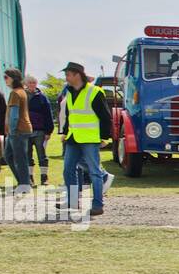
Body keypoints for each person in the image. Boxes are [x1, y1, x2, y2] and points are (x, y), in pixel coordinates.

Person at [59, 61, 113, 218]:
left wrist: (104, 137)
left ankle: (97, 205)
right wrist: (65, 132)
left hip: (90, 138)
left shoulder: (95, 92)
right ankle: (73, 200)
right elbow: (71, 115)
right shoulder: (69, 92)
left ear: (77, 75)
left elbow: (105, 117)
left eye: (68, 74)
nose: (66, 78)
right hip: (73, 137)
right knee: (68, 170)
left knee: (94, 172)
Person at [3, 68, 33, 194]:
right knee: (9, 156)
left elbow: (14, 115)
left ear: (13, 78)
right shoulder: (21, 92)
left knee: (19, 158)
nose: (5, 80)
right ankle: (23, 182)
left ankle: (25, 184)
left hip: (18, 130)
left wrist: (12, 130)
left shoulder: (15, 93)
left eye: (6, 77)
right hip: (20, 129)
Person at [25, 76, 55, 185]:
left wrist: (48, 131)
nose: (32, 84)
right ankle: (30, 178)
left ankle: (44, 177)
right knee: (28, 156)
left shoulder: (42, 98)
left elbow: (48, 115)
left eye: (34, 82)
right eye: (30, 82)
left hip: (40, 131)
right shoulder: (22, 96)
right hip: (26, 131)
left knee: (42, 156)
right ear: (26, 83)